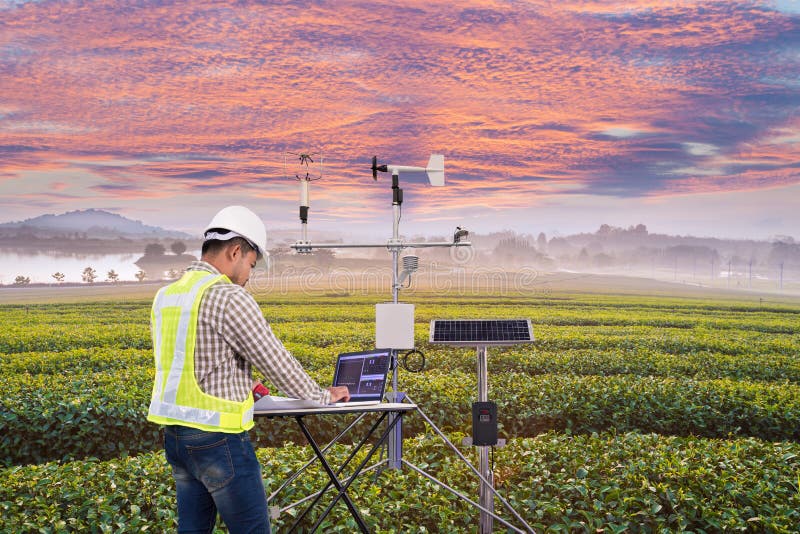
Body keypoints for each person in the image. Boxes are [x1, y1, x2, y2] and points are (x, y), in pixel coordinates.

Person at [147, 205, 350, 533]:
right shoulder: (228, 296)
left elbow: (188, 361)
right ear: (236, 251)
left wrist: (245, 384)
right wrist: (322, 396)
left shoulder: (166, 296)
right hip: (218, 440)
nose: (250, 275)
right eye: (251, 265)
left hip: (177, 439)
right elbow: (277, 362)